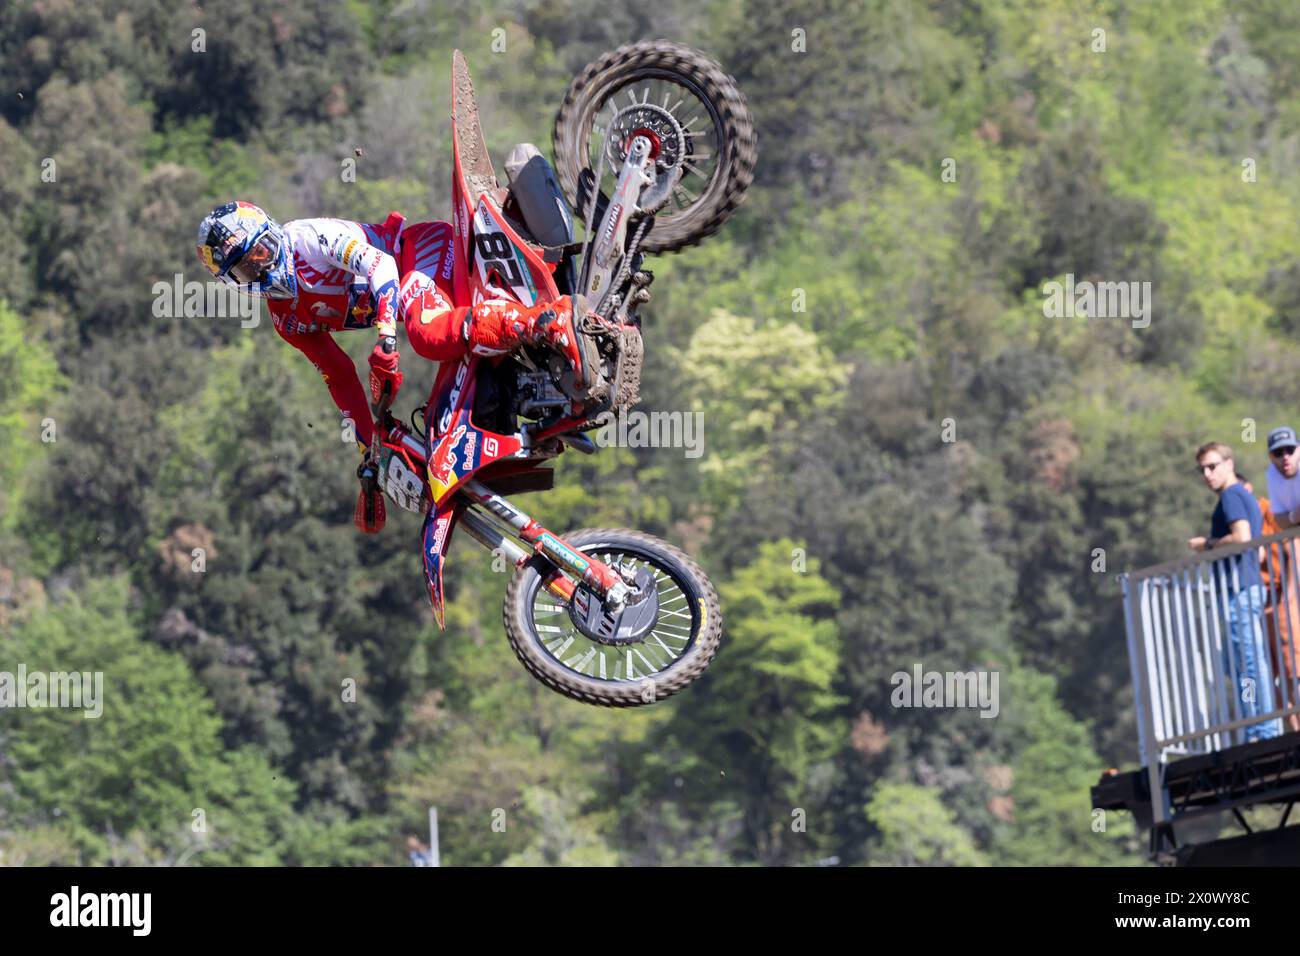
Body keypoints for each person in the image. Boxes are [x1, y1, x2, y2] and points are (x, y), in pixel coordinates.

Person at [195, 201, 587, 531]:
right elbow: (339, 377)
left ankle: (544, 322)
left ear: (269, 230)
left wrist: (386, 338)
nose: (261, 268)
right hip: (411, 292)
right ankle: (547, 411)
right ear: (235, 281)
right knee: (446, 420)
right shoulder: (286, 320)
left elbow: (379, 264)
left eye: (259, 252)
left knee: (428, 334)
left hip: (418, 253)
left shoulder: (305, 238)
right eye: (247, 269)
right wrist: (373, 450)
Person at [1188, 442, 1282, 742]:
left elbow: (1242, 537)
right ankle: (1260, 725)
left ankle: (1261, 729)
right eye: (1202, 469)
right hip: (1244, 588)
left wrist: (1208, 545)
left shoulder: (1231, 495)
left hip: (1240, 590)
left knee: (1249, 663)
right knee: (1244, 662)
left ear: (1229, 464)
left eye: (1212, 466)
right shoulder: (1242, 495)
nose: (1207, 474)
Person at [1265, 426, 1300, 529]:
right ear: (1271, 457)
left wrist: (1290, 518)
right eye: (1278, 452)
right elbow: (1279, 520)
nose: (1285, 457)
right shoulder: (1272, 474)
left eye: (1290, 450)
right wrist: (1294, 517)